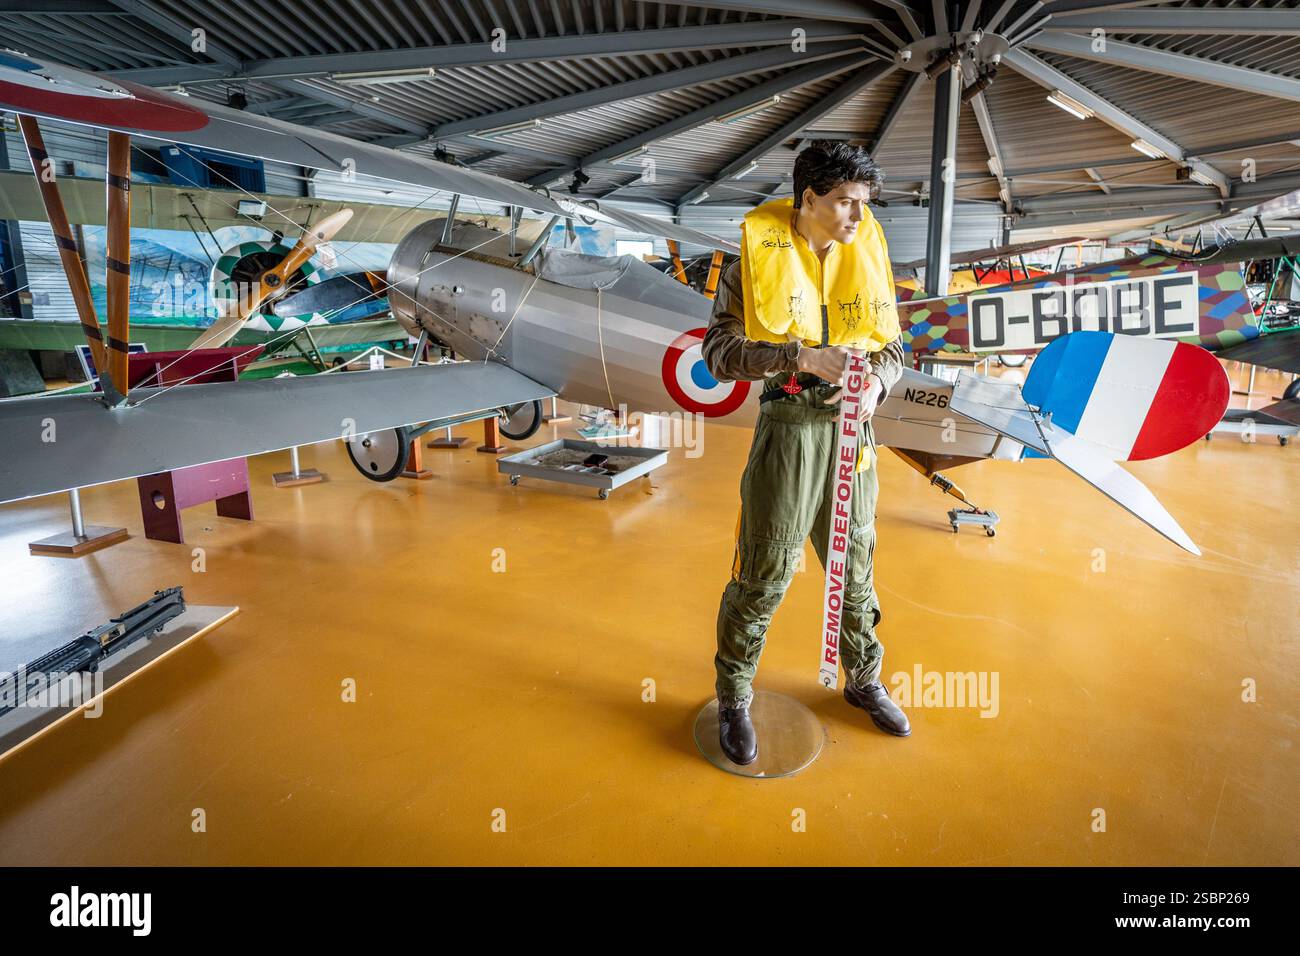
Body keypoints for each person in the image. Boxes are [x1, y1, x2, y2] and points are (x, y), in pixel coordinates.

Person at [702, 140, 911, 766]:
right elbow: (718, 355)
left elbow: (893, 350)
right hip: (788, 431)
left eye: (862, 204)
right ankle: (734, 695)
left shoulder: (863, 258)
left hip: (854, 436)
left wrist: (877, 380)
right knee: (765, 571)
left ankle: (863, 679)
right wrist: (796, 356)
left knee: (855, 572)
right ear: (809, 198)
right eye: (843, 203)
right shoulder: (750, 264)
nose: (855, 217)